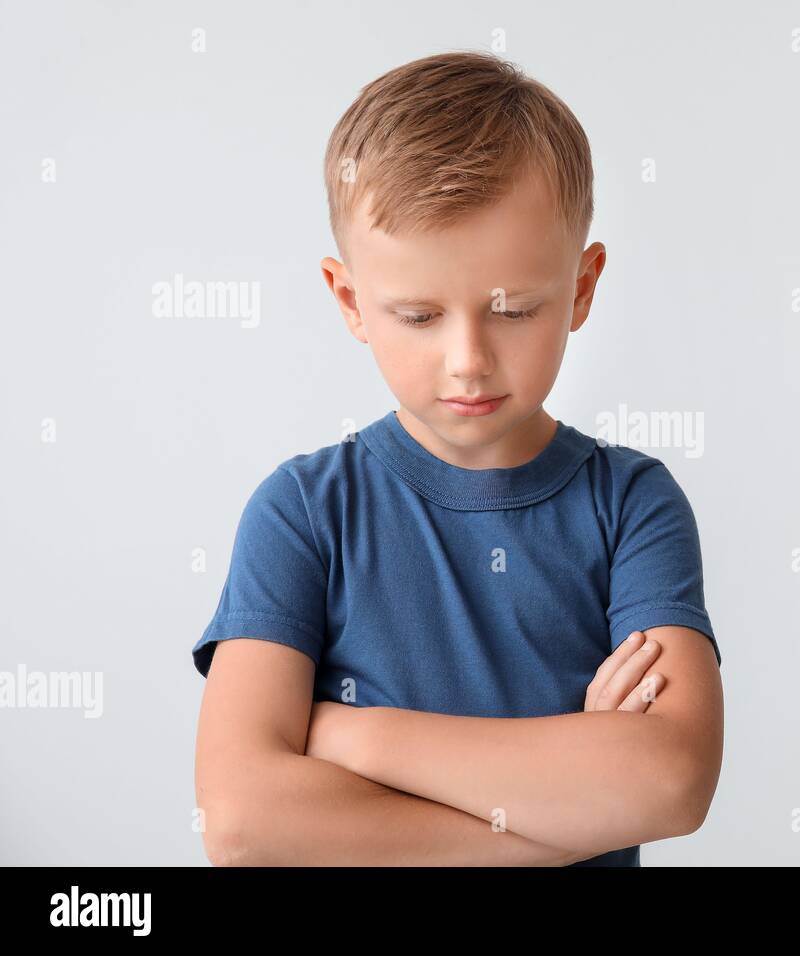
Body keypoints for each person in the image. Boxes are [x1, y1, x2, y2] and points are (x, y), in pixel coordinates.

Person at [191, 50, 723, 867]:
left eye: (513, 310)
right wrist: (568, 806)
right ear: (349, 301)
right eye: (418, 315)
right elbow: (241, 822)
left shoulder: (632, 506)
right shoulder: (301, 513)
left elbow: (671, 784)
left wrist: (353, 737)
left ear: (582, 289)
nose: (468, 359)